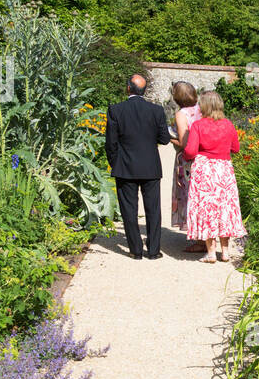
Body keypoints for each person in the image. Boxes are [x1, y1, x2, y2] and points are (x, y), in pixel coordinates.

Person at [105, 73, 170, 259]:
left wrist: (115, 162)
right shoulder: (156, 110)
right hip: (150, 167)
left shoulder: (116, 110)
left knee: (129, 209)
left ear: (128, 88)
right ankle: (154, 250)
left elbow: (111, 143)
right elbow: (164, 139)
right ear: (144, 90)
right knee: (153, 209)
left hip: (125, 167)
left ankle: (135, 250)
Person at [181, 89, 247, 263]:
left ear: (204, 106)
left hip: (204, 169)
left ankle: (211, 253)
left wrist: (186, 155)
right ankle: (225, 252)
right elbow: (236, 148)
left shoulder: (198, 125)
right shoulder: (228, 124)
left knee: (206, 209)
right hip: (224, 169)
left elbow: (190, 151)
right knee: (224, 208)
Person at [167, 81, 203, 250]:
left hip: (188, 161)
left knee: (189, 195)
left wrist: (168, 137)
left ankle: (200, 241)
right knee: (201, 197)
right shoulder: (202, 109)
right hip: (203, 157)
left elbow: (184, 142)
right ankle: (204, 237)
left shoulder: (182, 114)